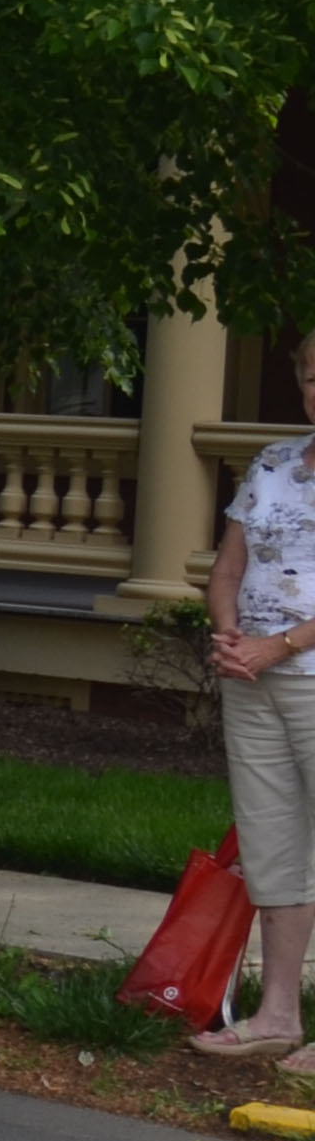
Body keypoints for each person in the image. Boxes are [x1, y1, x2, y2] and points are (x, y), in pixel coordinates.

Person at [199, 434, 315, 1065]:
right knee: (273, 847)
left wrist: (281, 646)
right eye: (312, 384)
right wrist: (229, 635)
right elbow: (227, 569)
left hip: (304, 672)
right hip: (251, 680)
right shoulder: (273, 461)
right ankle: (277, 1016)